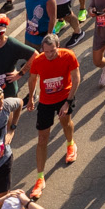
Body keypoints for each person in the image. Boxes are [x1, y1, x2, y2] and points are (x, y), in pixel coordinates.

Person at [26, 34, 79, 171]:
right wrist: (31, 98)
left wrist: (68, 102)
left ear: (58, 46)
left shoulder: (68, 56)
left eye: (52, 51)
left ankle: (70, 144)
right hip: (46, 101)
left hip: (64, 98)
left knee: (65, 122)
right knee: (42, 139)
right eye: (46, 51)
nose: (49, 54)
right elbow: (32, 80)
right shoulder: (38, 60)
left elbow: (76, 79)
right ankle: (40, 177)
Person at [0, 13, 37, 100]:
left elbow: (35, 55)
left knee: (12, 109)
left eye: (0, 33)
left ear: (5, 31)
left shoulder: (12, 44)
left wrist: (20, 73)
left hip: (8, 92)